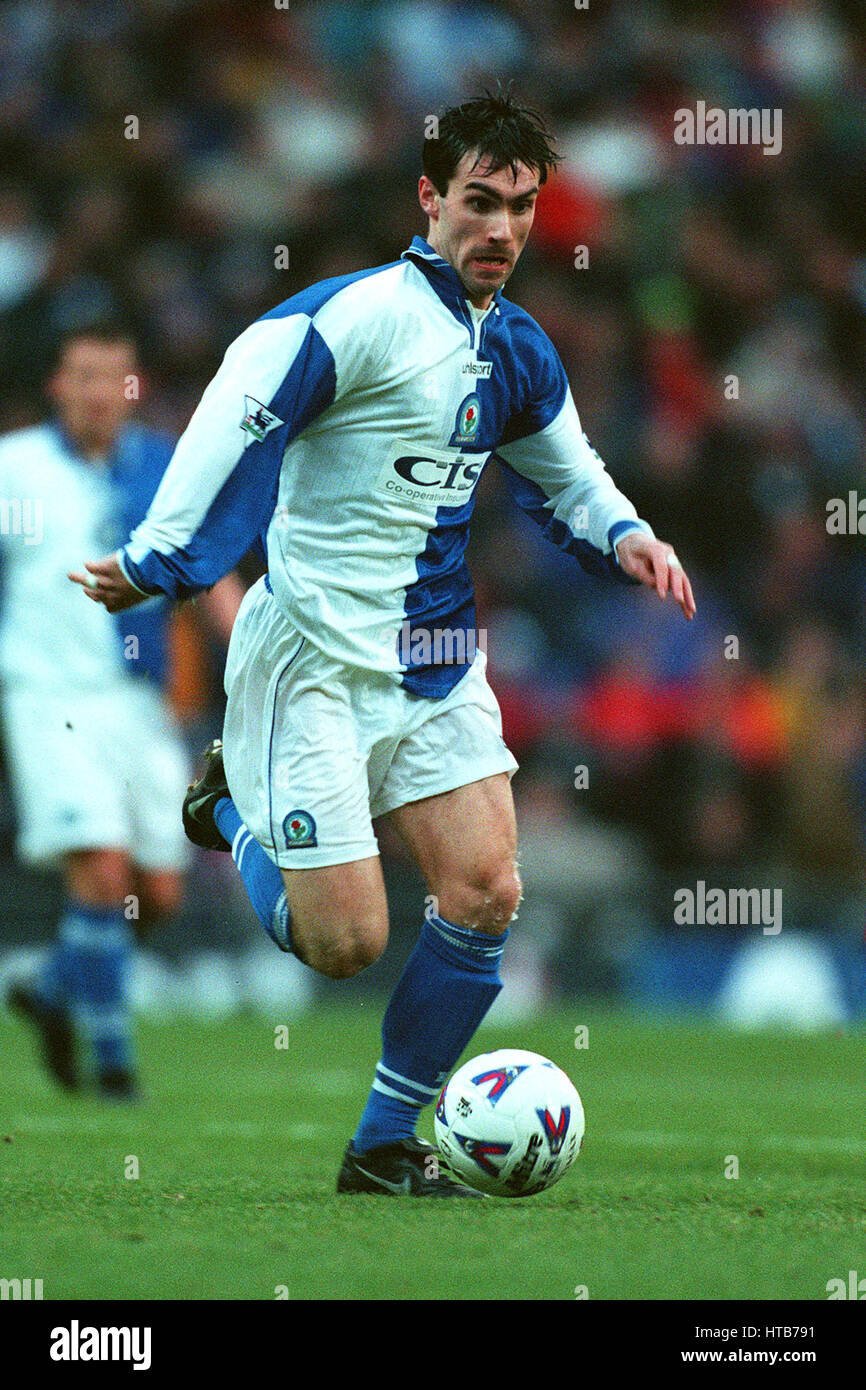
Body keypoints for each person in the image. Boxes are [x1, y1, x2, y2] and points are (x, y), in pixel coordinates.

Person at [71, 95, 695, 1183]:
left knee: (486, 890)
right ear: (428, 197)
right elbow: (242, 395)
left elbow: (566, 468)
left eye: (520, 208)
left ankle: (378, 1146)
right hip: (311, 655)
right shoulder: (352, 318)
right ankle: (229, 809)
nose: (499, 229)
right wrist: (164, 556)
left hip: (440, 661)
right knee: (344, 943)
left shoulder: (518, 348)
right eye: (478, 202)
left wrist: (627, 534)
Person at [2, 321, 241, 1098]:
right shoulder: (16, 470)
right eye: (84, 375)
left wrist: (247, 650)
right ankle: (113, 1065)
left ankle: (53, 992)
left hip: (142, 702)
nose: (100, 391)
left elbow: (211, 567)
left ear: (132, 387)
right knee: (103, 872)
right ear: (58, 386)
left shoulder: (165, 467)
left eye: (115, 376)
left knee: (158, 893)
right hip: (47, 696)